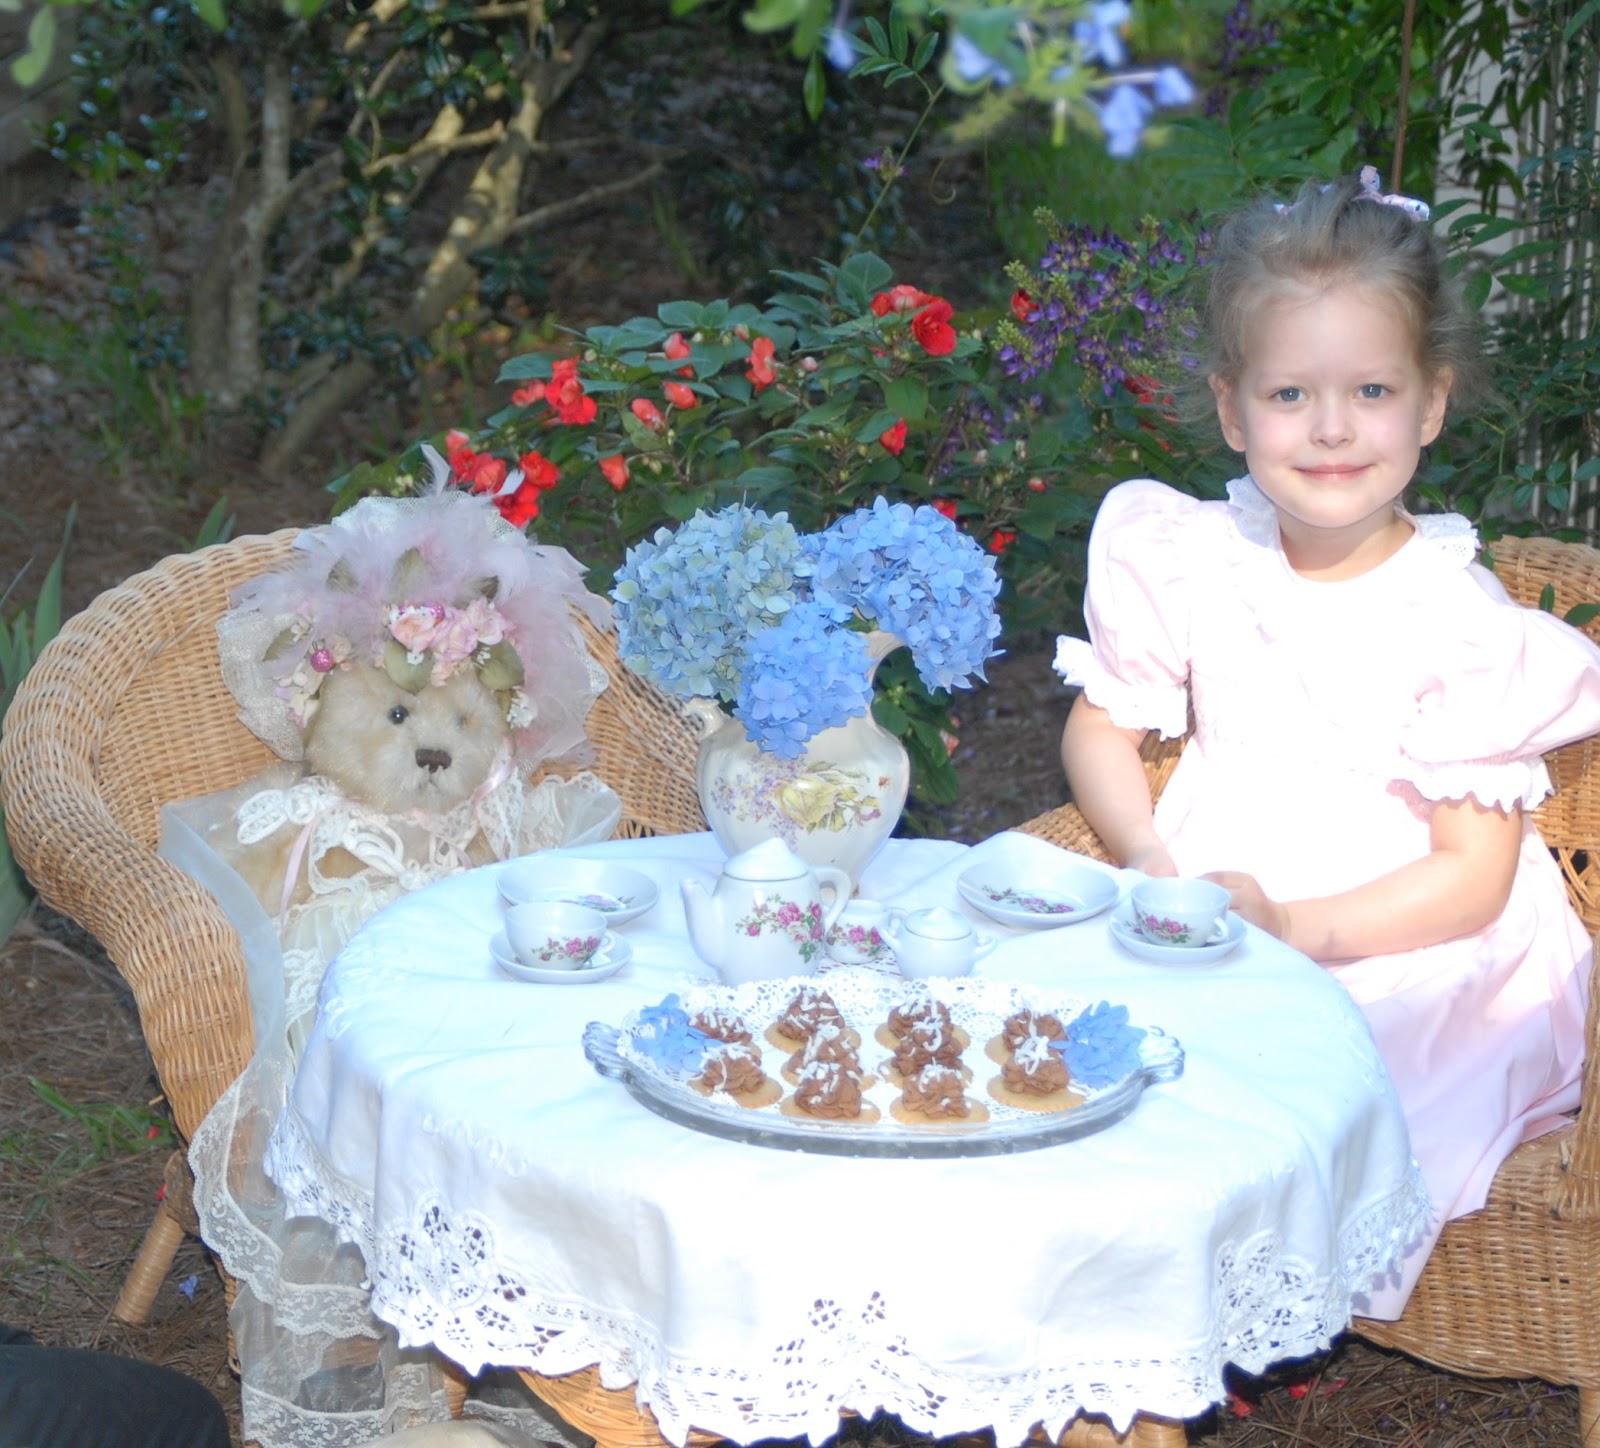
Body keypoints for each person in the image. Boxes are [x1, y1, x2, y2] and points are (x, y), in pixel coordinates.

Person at [1055, 167, 1600, 1314]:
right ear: (1231, 408)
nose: (1333, 427)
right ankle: (1111, 1272)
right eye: (1290, 392)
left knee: (1329, 1062)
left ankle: (1230, 1285)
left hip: (1396, 928)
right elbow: (1101, 727)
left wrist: (1293, 930)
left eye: (1371, 389)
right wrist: (1149, 857)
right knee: (1072, 1031)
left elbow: (1470, 878)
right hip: (1209, 886)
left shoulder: (1458, 623)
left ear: (1430, 403)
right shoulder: (1190, 555)